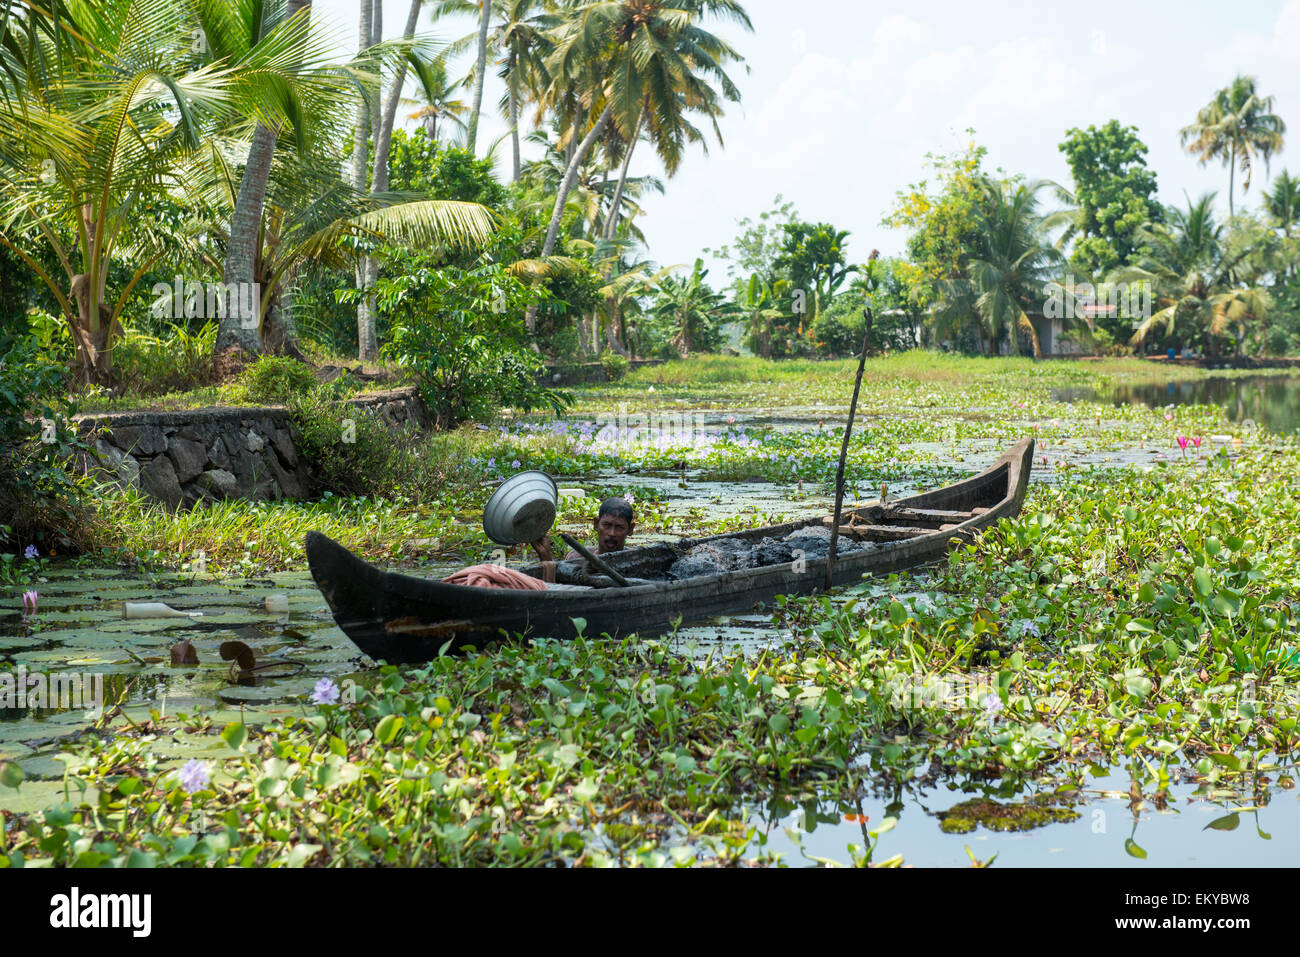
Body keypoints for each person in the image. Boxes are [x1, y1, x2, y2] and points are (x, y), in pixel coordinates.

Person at [530, 497, 635, 564]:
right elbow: (559, 587)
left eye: (619, 527)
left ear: (630, 529)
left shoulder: (635, 559)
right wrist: (545, 555)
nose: (612, 533)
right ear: (596, 524)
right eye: (607, 525)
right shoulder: (575, 557)